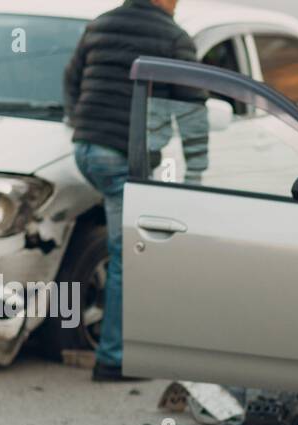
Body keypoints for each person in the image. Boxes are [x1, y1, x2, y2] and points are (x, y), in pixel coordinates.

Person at [62, 0, 202, 382]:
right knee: (130, 252)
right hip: (120, 156)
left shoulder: (100, 25)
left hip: (86, 149)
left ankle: (109, 337)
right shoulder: (174, 38)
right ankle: (113, 358)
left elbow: (70, 80)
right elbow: (192, 113)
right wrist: (197, 175)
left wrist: (81, 122)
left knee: (120, 244)